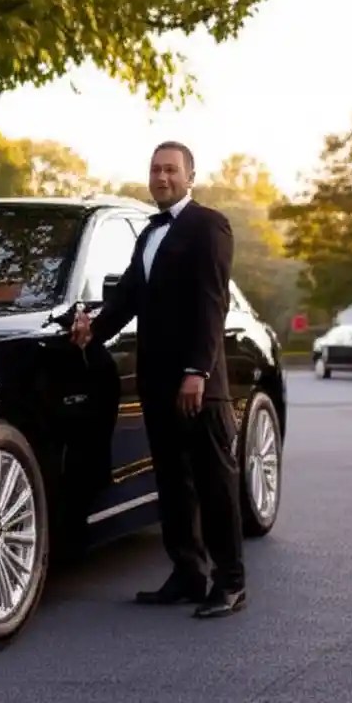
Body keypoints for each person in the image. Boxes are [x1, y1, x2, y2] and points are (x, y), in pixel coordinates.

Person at [70, 141, 245, 619]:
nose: (162, 177)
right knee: (173, 483)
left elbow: (213, 302)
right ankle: (187, 574)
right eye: (155, 169)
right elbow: (127, 299)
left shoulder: (208, 225)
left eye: (171, 170)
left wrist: (197, 371)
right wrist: (92, 332)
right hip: (155, 381)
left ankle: (230, 583)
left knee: (213, 483)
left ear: (191, 176)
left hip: (197, 383)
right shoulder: (148, 233)